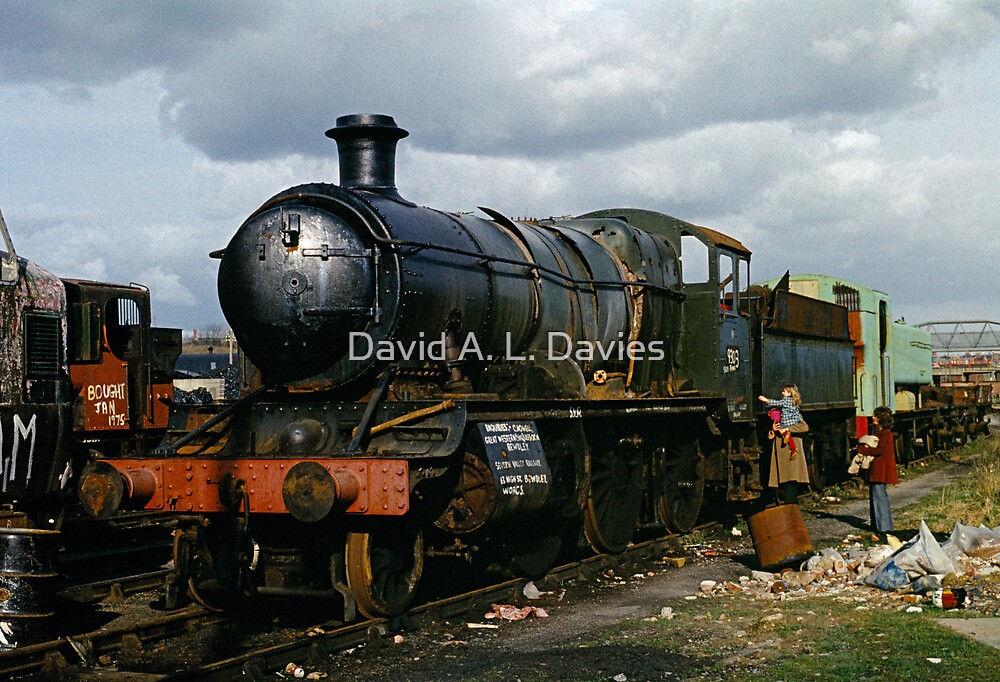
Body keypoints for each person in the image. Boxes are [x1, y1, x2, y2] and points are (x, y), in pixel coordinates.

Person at [759, 385, 809, 505]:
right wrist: (773, 430)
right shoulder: (779, 417)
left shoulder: (795, 416)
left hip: (790, 453)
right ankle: (789, 509)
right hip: (780, 452)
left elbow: (804, 427)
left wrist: (788, 429)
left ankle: (791, 509)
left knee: (790, 482)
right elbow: (771, 436)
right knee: (784, 482)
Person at [857, 405, 898, 540]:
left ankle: (884, 528)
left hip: (881, 469)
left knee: (879, 498)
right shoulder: (881, 432)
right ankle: (878, 525)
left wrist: (863, 450)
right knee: (876, 497)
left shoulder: (886, 434)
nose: (873, 417)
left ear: (881, 418)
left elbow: (880, 451)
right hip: (878, 469)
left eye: (876, 416)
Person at [758, 385, 804, 459]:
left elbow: (777, 403)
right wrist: (773, 430)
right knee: (784, 432)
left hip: (787, 422)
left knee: (782, 429)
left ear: (789, 393)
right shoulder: (795, 403)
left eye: (784, 391)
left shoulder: (786, 401)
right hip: (794, 420)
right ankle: (792, 447)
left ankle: (786, 434)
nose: (782, 393)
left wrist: (766, 400)